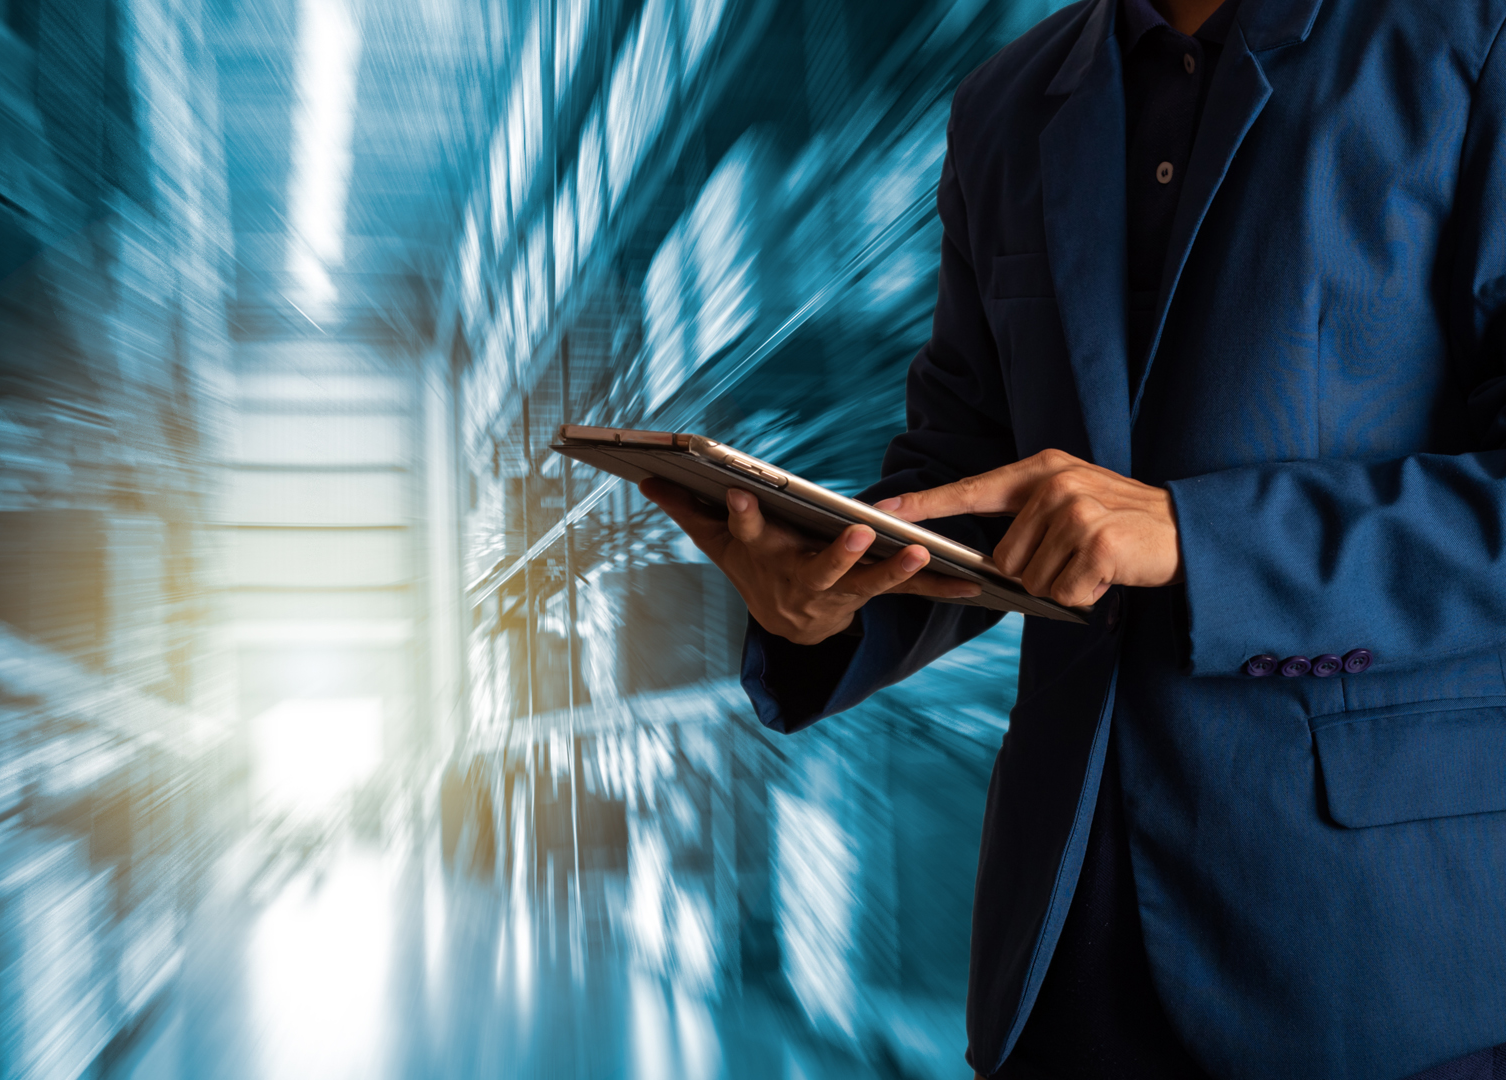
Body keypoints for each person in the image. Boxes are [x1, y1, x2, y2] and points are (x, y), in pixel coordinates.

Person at [642, 0, 1506, 1076]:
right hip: (1066, 942)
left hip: (1363, 949)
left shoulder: (1464, 37)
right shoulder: (1006, 104)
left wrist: (1201, 539)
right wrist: (825, 600)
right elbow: (967, 473)